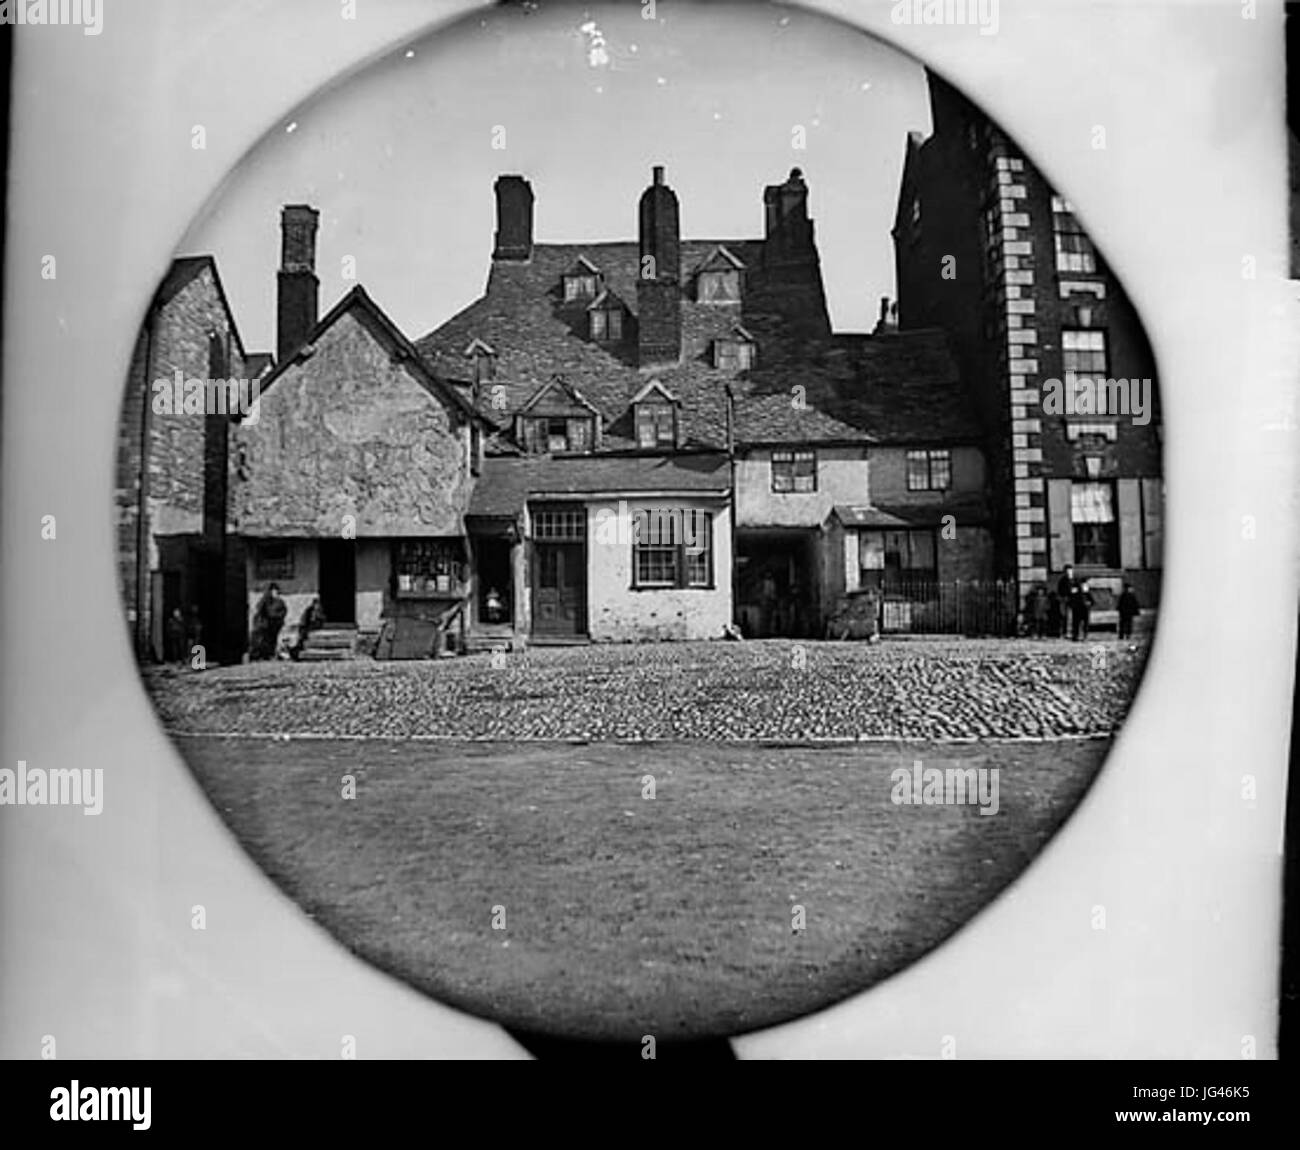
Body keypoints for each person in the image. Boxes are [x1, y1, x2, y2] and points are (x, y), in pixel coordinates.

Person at [251, 583, 288, 661]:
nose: (276, 593)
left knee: (273, 640)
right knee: (263, 640)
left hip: (275, 625)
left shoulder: (280, 602)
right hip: (265, 624)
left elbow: (284, 611)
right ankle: (262, 655)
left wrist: (277, 617)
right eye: (274, 591)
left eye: (277, 592)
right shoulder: (265, 600)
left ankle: (271, 654)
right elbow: (259, 609)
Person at [290, 596, 325, 661]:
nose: (317, 606)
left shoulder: (319, 611)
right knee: (301, 639)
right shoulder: (309, 610)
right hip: (306, 627)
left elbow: (321, 619)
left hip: (312, 626)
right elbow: (304, 620)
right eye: (316, 604)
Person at [1055, 565, 1075, 639]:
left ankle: (1070, 632)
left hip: (1073, 601)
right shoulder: (1062, 581)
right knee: (1063, 617)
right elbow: (1060, 591)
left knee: (1072, 617)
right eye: (1067, 571)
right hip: (1065, 600)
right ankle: (1063, 632)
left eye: (1070, 571)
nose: (1069, 573)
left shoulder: (1074, 580)